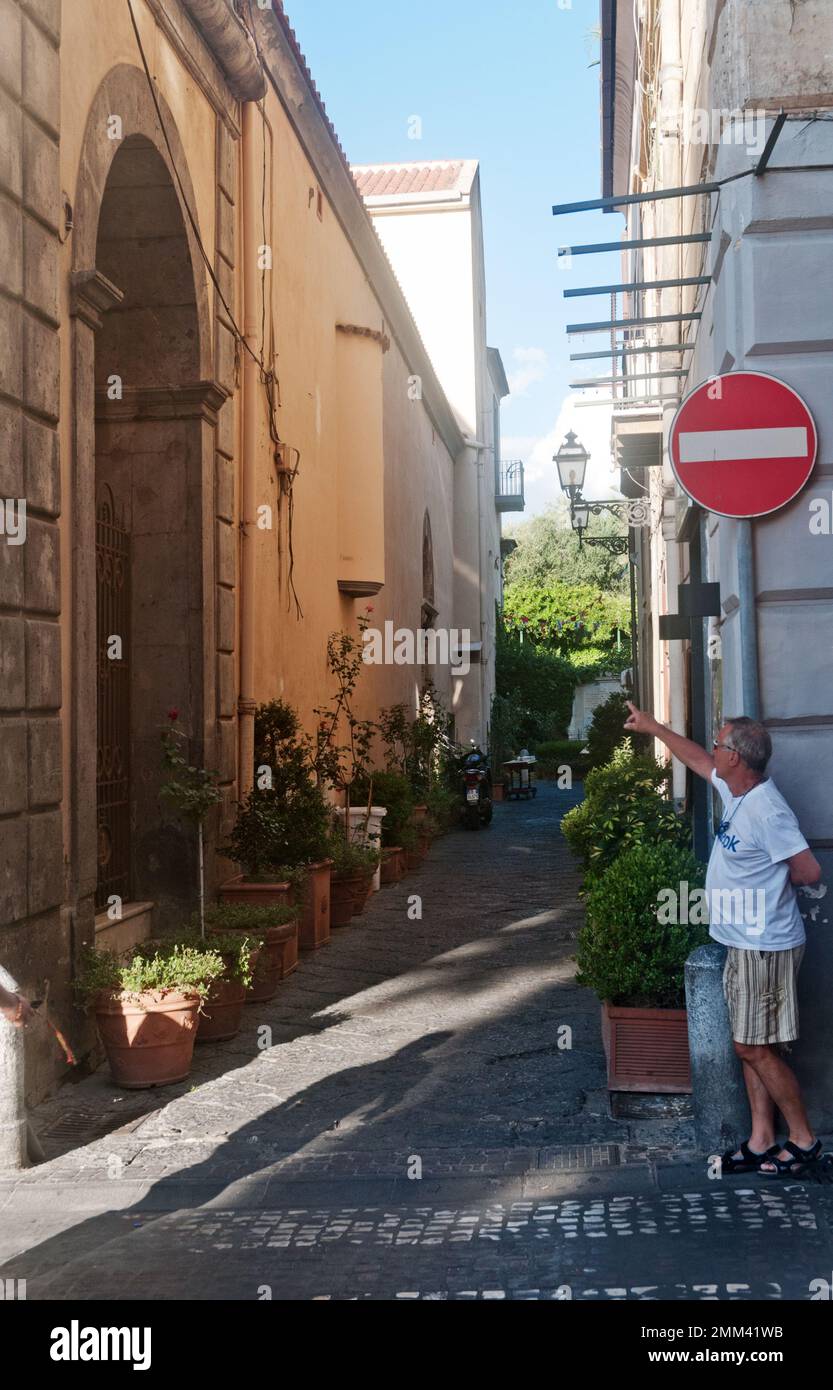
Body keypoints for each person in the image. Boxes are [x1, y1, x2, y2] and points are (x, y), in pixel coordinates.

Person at [623, 702, 823, 1178]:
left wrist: (764, 899)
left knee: (755, 1047)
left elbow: (809, 871)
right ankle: (759, 1139)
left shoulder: (767, 810)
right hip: (742, 943)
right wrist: (654, 727)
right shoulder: (735, 790)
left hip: (764, 945)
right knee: (751, 1043)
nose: (713, 749)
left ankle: (803, 1139)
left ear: (737, 757)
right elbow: (695, 759)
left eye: (719, 743)